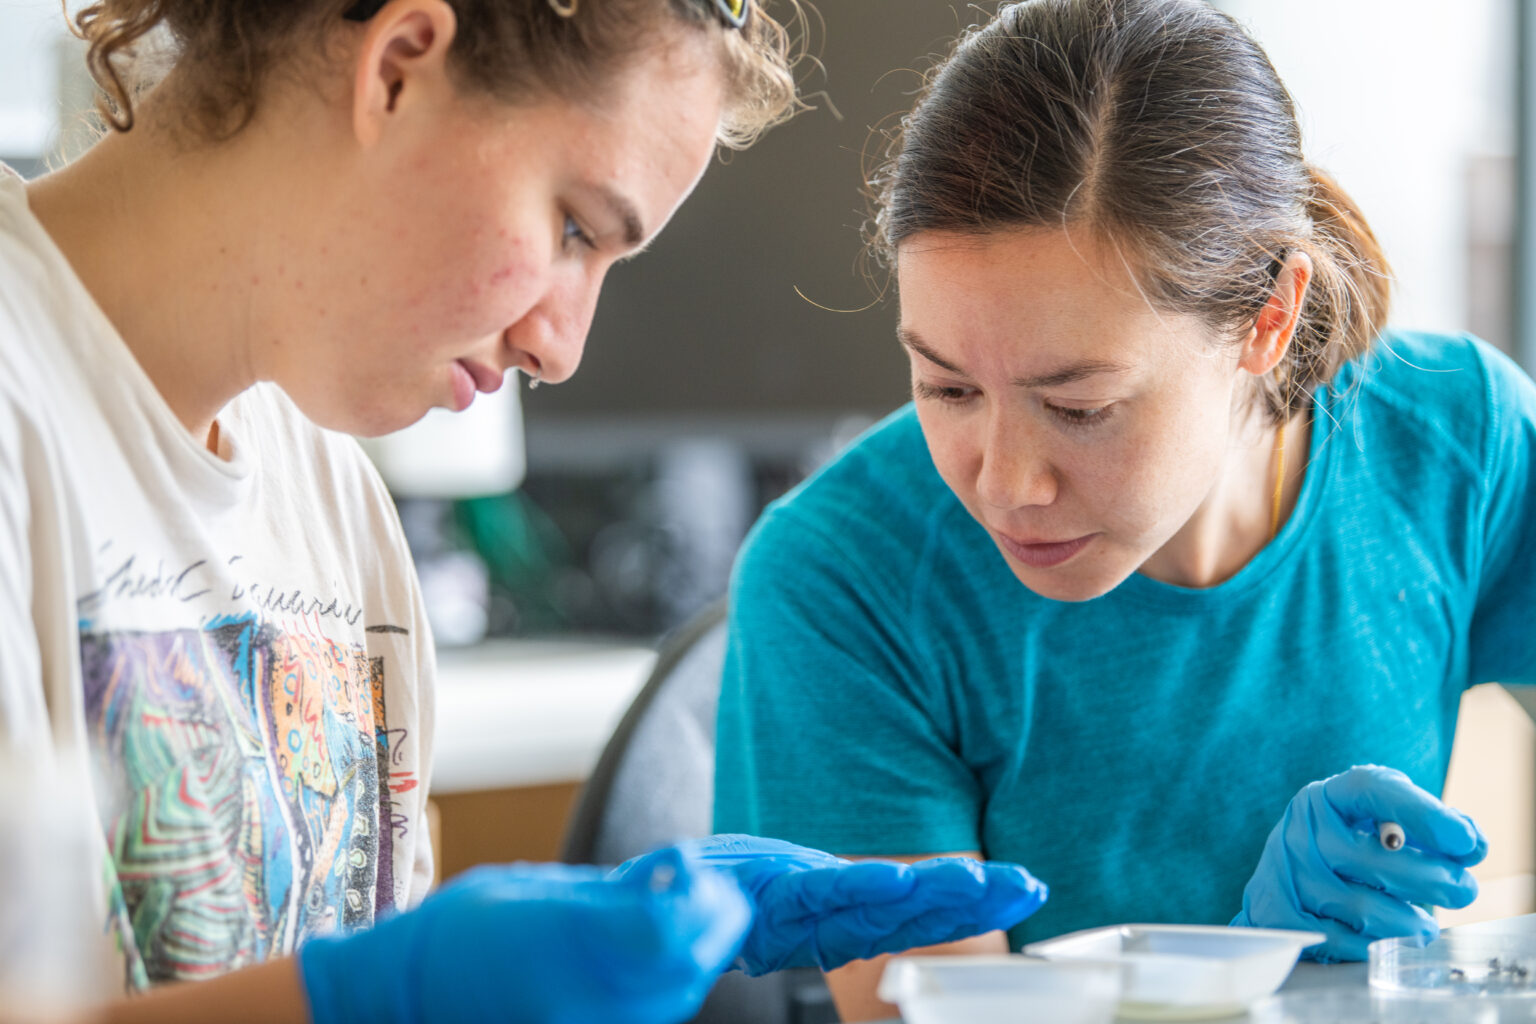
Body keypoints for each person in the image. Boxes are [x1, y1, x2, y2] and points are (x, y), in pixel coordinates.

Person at [0, 0, 1050, 1021]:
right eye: (571, 227)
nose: (560, 346)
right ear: (399, 68)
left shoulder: (330, 504)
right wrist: (373, 997)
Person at [713, 0, 1536, 1018]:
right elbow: (929, 1010)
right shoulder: (841, 574)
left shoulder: (1456, 441)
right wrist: (1235, 979)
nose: (1009, 483)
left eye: (1079, 407)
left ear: (1268, 319)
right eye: (947, 387)